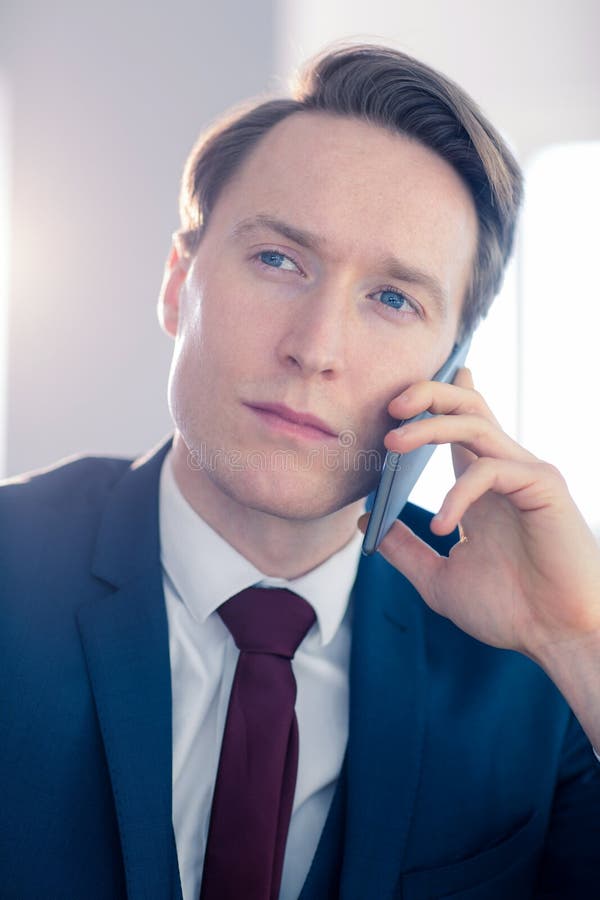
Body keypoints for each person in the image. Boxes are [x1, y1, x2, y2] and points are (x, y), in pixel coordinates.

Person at [1, 40, 599, 900]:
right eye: (279, 260)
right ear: (178, 285)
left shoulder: (533, 657)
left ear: (452, 371)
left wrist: (582, 646)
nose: (316, 349)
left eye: (393, 299)